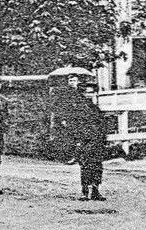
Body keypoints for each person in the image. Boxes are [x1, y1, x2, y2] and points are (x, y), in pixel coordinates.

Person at [57, 73, 108, 201]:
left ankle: (96, 190)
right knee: (85, 164)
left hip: (97, 140)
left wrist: (102, 138)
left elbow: (103, 125)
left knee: (97, 165)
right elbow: (74, 123)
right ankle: (85, 191)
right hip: (84, 138)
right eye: (87, 92)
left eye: (92, 93)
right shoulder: (79, 107)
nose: (89, 94)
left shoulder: (96, 109)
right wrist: (77, 138)